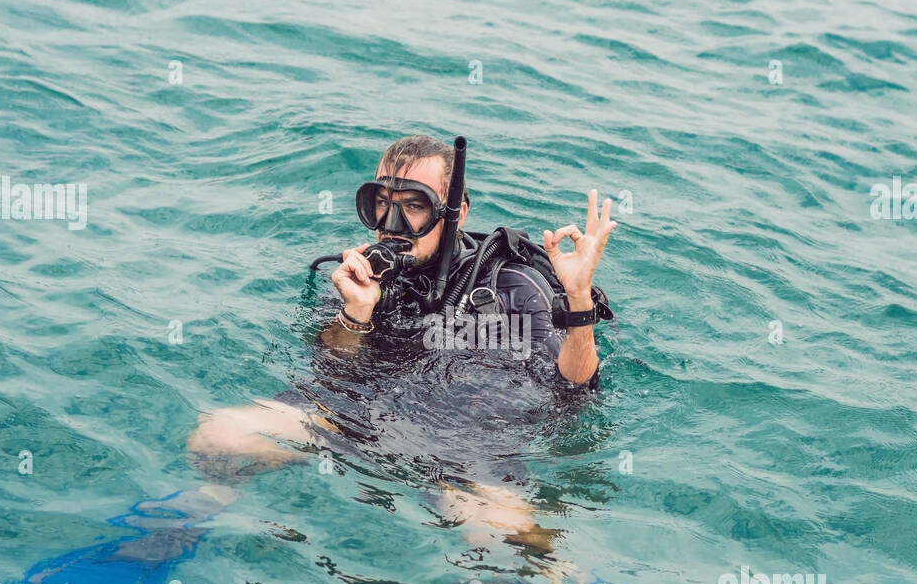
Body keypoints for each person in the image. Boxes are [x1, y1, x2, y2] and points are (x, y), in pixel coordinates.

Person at [188, 135, 618, 550]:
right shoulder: (367, 278)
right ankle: (204, 510)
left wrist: (578, 301)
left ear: (455, 212)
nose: (393, 225)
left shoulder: (510, 284)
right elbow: (331, 376)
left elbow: (573, 391)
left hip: (464, 448)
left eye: (414, 206)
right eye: (382, 204)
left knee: (497, 535)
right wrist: (355, 312)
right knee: (219, 436)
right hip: (362, 421)